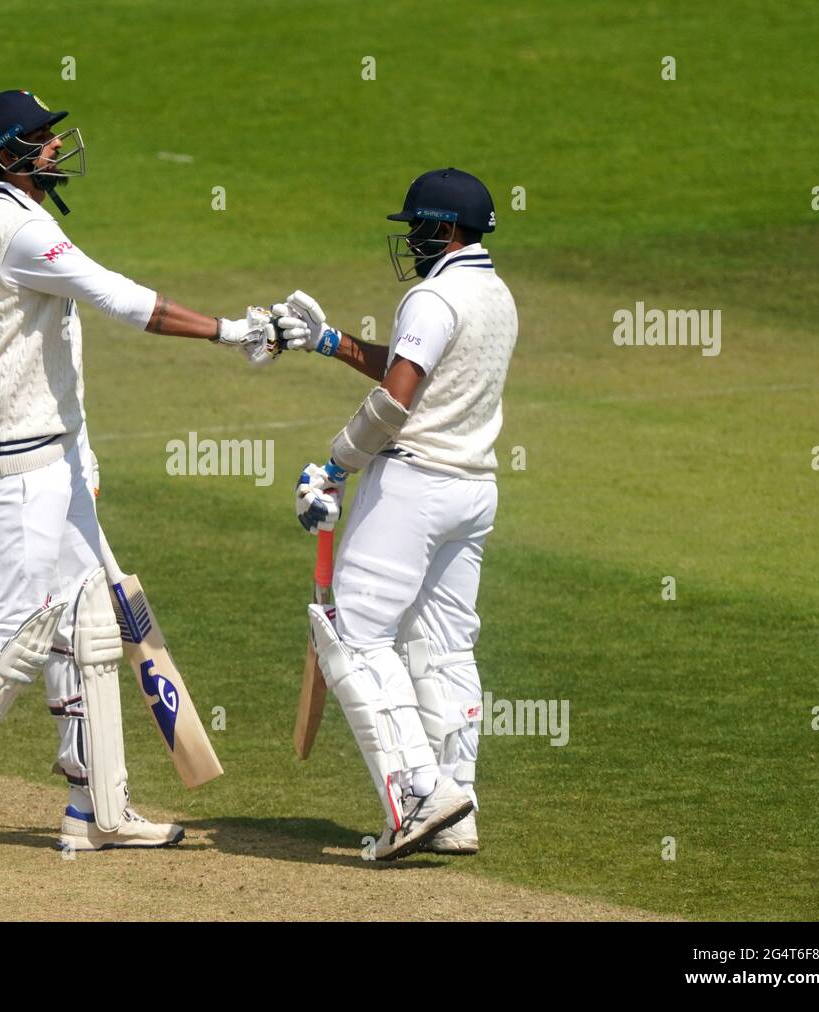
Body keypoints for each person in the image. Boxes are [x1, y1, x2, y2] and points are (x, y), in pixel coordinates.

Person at [0, 89, 274, 861]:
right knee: (11, 632)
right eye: (40, 139)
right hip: (10, 459)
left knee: (86, 623)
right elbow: (123, 300)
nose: (55, 147)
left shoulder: (28, 222)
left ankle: (98, 809)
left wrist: (81, 458)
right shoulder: (11, 228)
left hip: (49, 453)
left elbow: (59, 356)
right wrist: (235, 332)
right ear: (6, 155)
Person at [278, 168, 518, 859]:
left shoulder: (432, 296)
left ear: (444, 229)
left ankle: (418, 793)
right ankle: (458, 804)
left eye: (417, 227)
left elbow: (396, 401)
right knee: (444, 646)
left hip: (413, 487)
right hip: (473, 491)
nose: (410, 240)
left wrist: (334, 466)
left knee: (353, 635)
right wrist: (334, 344)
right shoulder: (496, 295)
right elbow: (417, 374)